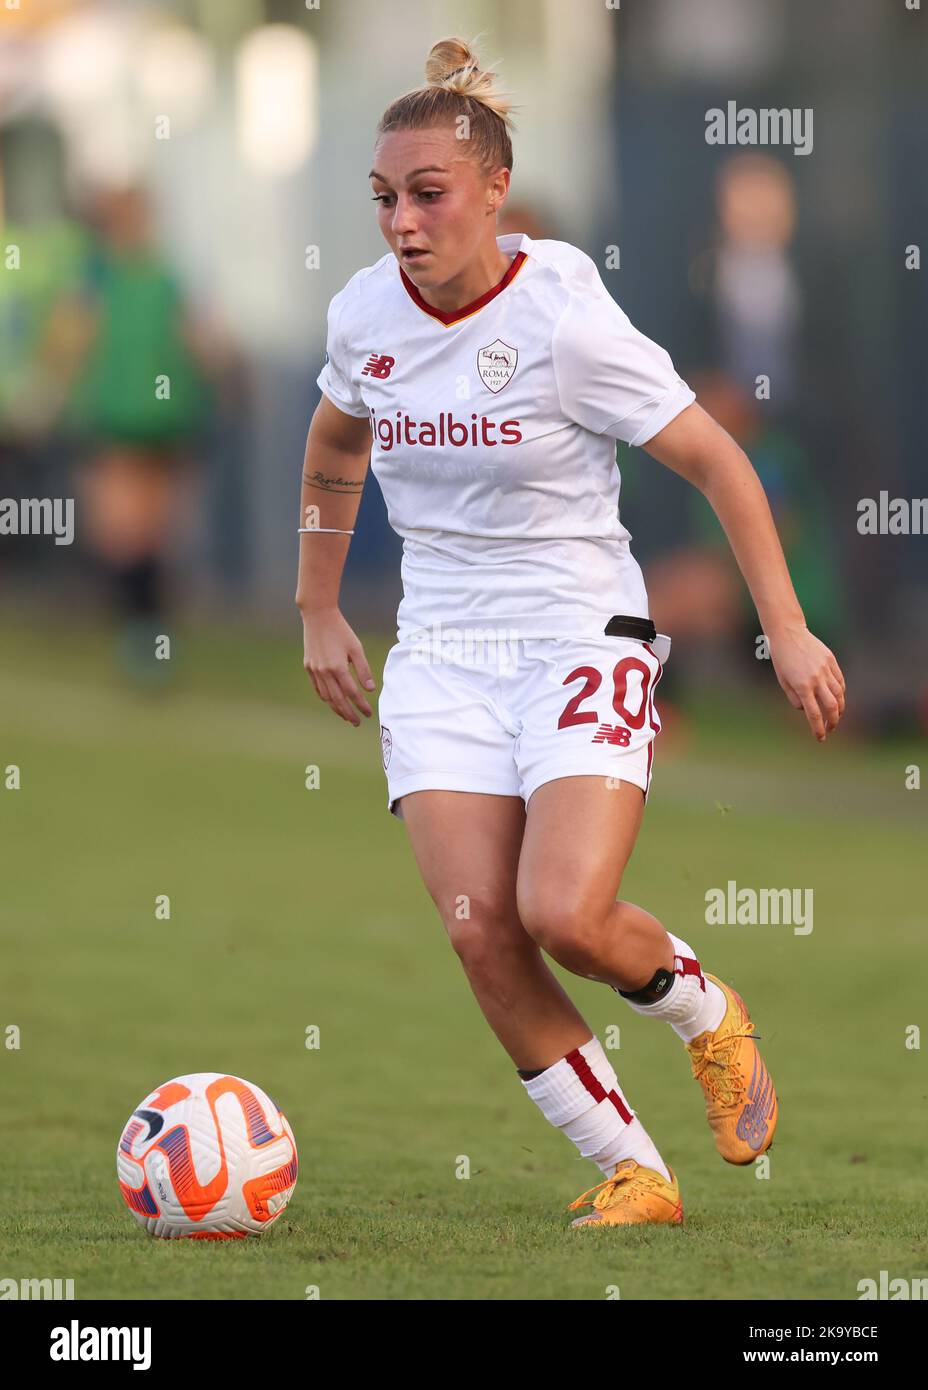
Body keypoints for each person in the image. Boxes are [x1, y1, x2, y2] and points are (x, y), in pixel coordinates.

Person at [295, 38, 845, 1228]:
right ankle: (633, 1170)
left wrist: (786, 630)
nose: (402, 220)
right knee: (480, 930)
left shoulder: (564, 317)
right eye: (385, 198)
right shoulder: (362, 316)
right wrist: (318, 602)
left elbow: (719, 464)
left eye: (428, 193)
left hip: (575, 635)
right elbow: (336, 447)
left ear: (493, 189)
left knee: (563, 913)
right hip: (440, 653)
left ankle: (703, 1010)